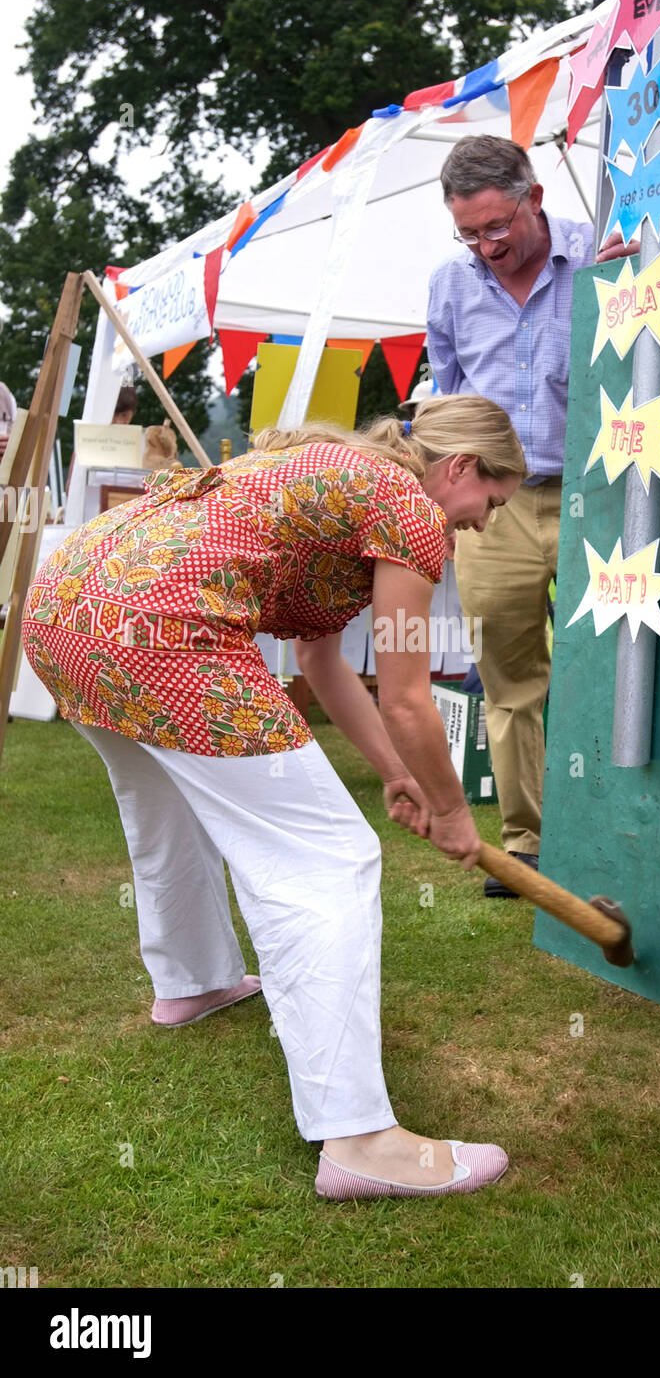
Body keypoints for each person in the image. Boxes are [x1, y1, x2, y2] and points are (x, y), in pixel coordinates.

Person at [22, 394, 525, 1200]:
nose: (485, 523)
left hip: (64, 610)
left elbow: (323, 665)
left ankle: (193, 981)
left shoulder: (338, 478)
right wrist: (454, 810)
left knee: (166, 809)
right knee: (328, 858)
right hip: (164, 631)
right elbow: (407, 698)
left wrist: (397, 774)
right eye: (491, 501)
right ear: (461, 468)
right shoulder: (409, 508)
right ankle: (360, 1140)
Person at [427, 136, 637, 897]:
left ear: (535, 198)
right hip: (497, 512)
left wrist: (641, 281)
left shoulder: (606, 253)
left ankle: (624, 831)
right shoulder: (449, 284)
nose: (486, 247)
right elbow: (447, 400)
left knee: (618, 663)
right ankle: (530, 845)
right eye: (470, 233)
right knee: (510, 678)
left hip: (602, 491)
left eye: (496, 226)